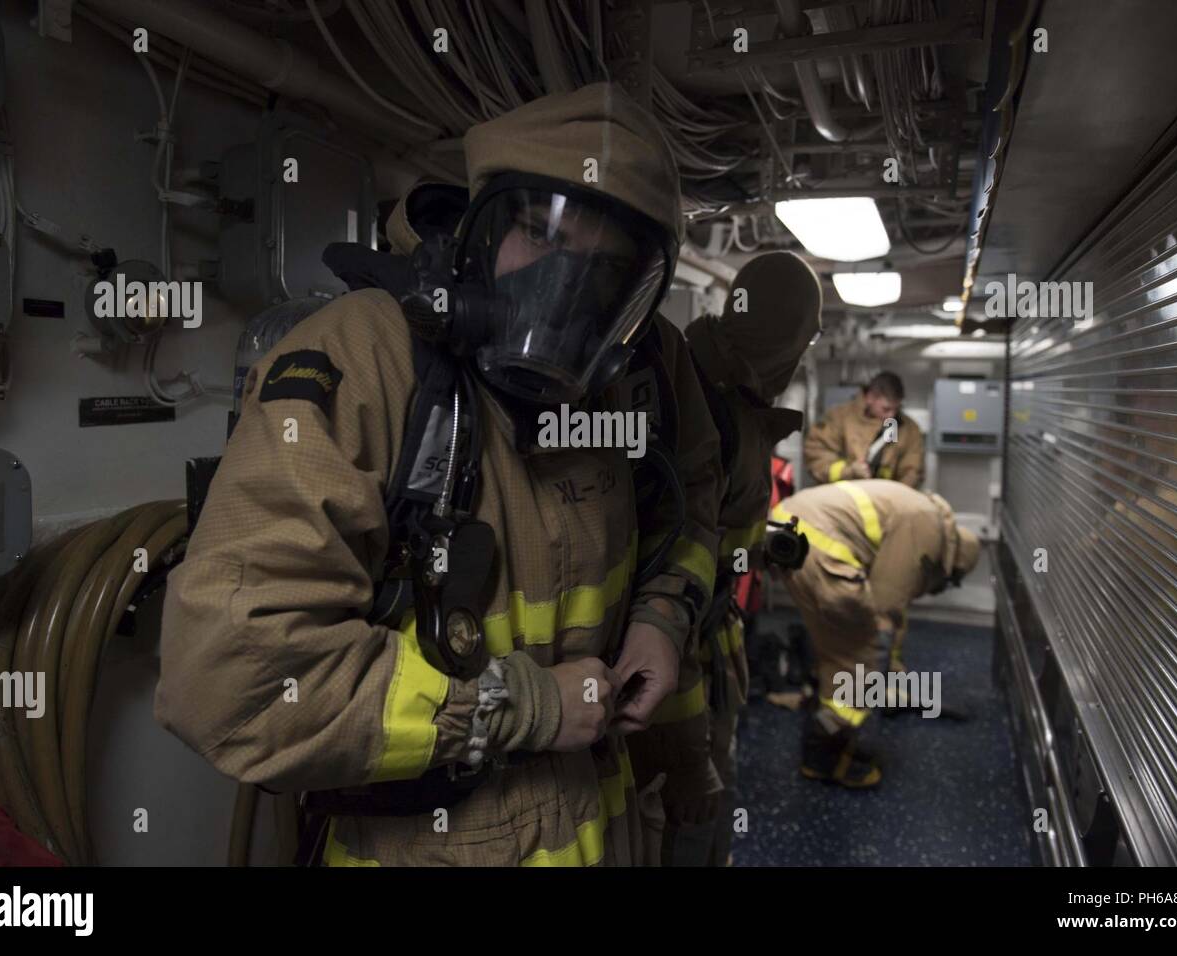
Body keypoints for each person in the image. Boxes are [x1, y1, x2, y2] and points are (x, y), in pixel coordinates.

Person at [155, 82, 721, 866]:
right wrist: (515, 708)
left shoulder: (644, 372)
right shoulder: (361, 363)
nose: (561, 289)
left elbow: (692, 510)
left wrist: (663, 618)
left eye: (603, 267)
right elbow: (232, 687)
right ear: (477, 228)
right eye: (537, 233)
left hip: (604, 828)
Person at [627, 252, 822, 865]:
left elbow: (712, 544)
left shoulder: (713, 386)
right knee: (689, 824)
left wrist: (758, 548)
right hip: (680, 684)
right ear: (790, 340)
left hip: (705, 660)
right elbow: (669, 583)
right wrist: (688, 762)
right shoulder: (708, 413)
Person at [768, 480, 981, 787]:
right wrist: (878, 671)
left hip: (795, 533)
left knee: (837, 648)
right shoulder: (928, 532)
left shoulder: (923, 512)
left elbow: (894, 602)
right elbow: (885, 606)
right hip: (820, 544)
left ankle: (825, 716)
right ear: (954, 566)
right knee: (861, 654)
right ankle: (825, 753)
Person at [804, 371, 924, 488]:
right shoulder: (839, 418)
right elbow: (817, 459)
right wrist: (849, 471)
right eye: (886, 409)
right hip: (841, 498)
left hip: (885, 503)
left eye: (896, 409)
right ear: (870, 398)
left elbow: (912, 470)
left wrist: (893, 496)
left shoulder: (909, 429)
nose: (891, 415)